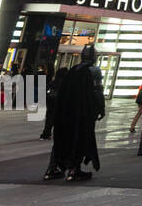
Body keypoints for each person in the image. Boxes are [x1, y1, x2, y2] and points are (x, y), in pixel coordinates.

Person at [44, 46, 105, 182]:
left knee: (63, 138)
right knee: (81, 137)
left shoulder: (73, 70)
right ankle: (74, 169)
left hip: (67, 111)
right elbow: (97, 91)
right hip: (82, 111)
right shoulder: (93, 70)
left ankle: (53, 167)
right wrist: (101, 108)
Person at [39, 68, 67, 140]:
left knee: (49, 118)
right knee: (59, 119)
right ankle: (57, 135)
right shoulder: (66, 83)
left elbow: (46, 90)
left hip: (51, 102)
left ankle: (46, 133)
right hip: (60, 103)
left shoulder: (53, 82)